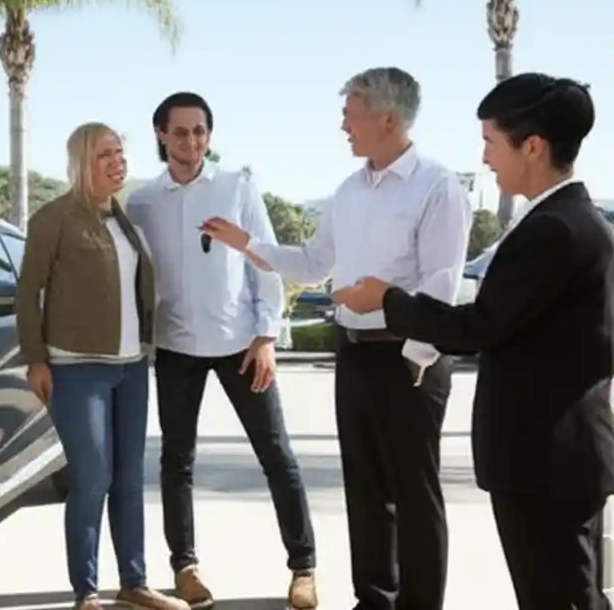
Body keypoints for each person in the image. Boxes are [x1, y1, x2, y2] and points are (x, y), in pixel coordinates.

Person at [332, 73, 614, 610]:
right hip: (554, 456)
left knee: (561, 597)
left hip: (545, 458)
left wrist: (388, 300)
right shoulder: (571, 222)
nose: (484, 158)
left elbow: (479, 326)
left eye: (490, 142)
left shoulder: (555, 230)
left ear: (532, 147)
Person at [199, 67, 473, 610]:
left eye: (350, 115)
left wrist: (417, 358)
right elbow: (312, 264)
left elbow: (442, 283)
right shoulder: (347, 192)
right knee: (366, 491)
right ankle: (374, 599)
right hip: (353, 354)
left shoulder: (438, 188)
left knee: (414, 495)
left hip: (407, 358)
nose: (342, 126)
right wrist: (246, 243)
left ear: (387, 118)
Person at [125, 92, 318, 609]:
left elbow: (265, 258)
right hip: (175, 348)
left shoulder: (236, 187)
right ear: (161, 134)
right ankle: (184, 567)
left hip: (241, 345)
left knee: (277, 454)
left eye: (201, 131)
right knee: (176, 461)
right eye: (182, 131)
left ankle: (304, 568)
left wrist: (266, 336)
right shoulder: (142, 202)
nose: (193, 141)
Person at [15, 122, 189, 610]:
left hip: (132, 367)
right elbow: (27, 294)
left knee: (129, 478)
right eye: (105, 155)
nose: (118, 162)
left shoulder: (124, 219)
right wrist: (35, 360)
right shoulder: (55, 218)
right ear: (81, 162)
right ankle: (86, 591)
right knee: (92, 479)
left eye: (120, 153)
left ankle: (134, 583)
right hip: (76, 369)